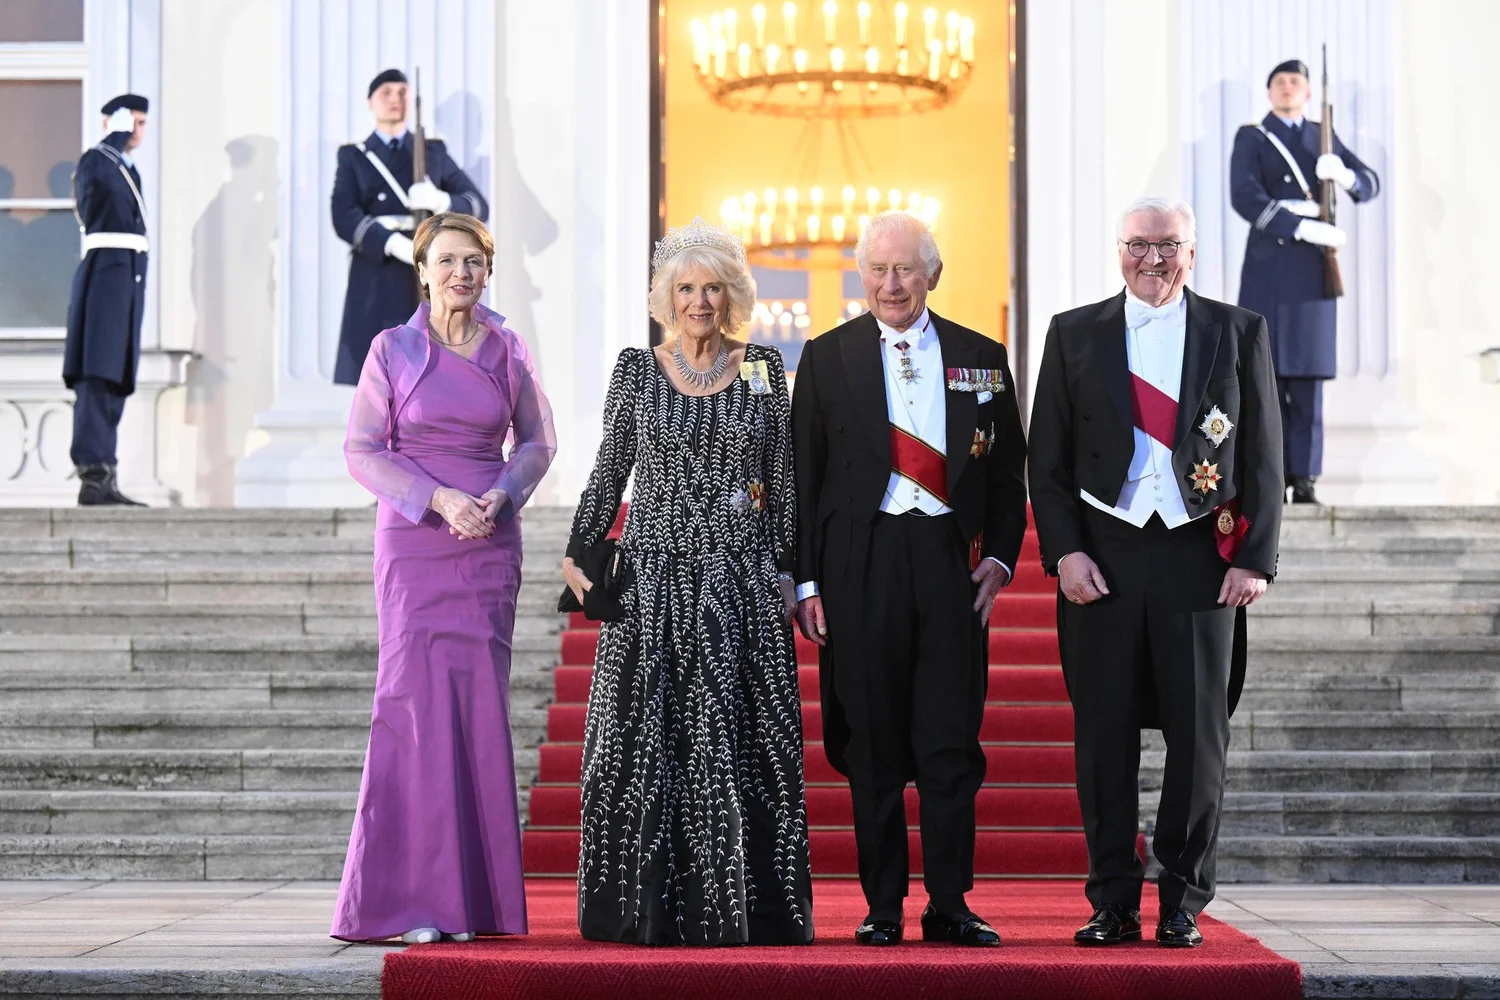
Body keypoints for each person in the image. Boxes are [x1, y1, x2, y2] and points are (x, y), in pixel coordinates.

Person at [1028, 197, 1282, 949]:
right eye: (1138, 244)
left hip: (1200, 557)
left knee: (1199, 740)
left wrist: (1255, 558)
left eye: (1167, 245)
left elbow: (1265, 456)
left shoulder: (1237, 332)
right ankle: (1110, 899)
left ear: (1192, 253)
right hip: (1102, 557)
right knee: (1102, 739)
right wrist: (1065, 551)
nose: (1152, 258)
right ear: (1119, 251)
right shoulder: (1074, 333)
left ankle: (1181, 898)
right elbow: (1048, 462)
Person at [564, 216, 813, 946]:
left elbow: (783, 481)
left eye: (712, 288)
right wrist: (581, 548)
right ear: (665, 299)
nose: (699, 302)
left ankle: (749, 910)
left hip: (740, 581)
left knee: (741, 745)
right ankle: (640, 910)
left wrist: (787, 569)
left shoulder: (765, 365)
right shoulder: (637, 370)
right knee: (647, 745)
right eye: (685, 289)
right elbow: (610, 471)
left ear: (731, 294)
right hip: (654, 581)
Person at [791, 210, 1028, 947]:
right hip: (859, 563)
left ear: (932, 274)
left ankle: (950, 903)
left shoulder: (981, 357)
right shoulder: (825, 358)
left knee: (951, 741)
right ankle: (884, 906)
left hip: (948, 562)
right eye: (878, 270)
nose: (891, 284)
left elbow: (1008, 471)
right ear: (863, 275)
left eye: (905, 269)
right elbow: (803, 476)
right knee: (874, 742)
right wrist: (804, 582)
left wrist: (1002, 554)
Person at [331, 212, 556, 944]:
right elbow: (363, 450)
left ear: (488, 272)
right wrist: (438, 497)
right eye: (448, 261)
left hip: (488, 542)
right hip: (415, 538)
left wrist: (501, 494)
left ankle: (475, 907)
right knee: (412, 709)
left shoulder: (506, 348)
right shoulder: (391, 349)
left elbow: (538, 440)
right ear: (422, 269)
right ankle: (409, 904)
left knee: (477, 710)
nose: (462, 273)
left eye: (475, 262)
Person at [1230, 57, 1380, 504]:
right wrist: (1299, 226)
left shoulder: (1323, 136)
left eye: (1296, 81)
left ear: (1309, 92)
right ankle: (1269, 480)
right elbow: (1244, 196)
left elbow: (1369, 184)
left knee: (1309, 382)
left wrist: (1345, 174)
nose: (1288, 87)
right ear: (1269, 92)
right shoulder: (1253, 136)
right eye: (1280, 82)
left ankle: (1306, 478)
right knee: (1266, 379)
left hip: (1314, 273)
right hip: (1269, 267)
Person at [331, 68, 489, 386]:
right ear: (371, 103)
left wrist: (441, 199)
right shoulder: (355, 157)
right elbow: (344, 216)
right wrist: (390, 243)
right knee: (379, 377)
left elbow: (476, 205)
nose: (396, 100)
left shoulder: (432, 152)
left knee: (430, 372)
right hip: (377, 271)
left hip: (426, 271)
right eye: (386, 93)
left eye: (402, 92)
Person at [63, 94, 151, 506]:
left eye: (142, 122)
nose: (138, 129)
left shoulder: (126, 168)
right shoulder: (98, 161)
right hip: (104, 277)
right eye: (132, 120)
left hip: (126, 282)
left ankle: (106, 473)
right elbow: (94, 200)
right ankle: (93, 474)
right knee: (97, 375)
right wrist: (113, 133)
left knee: (114, 378)